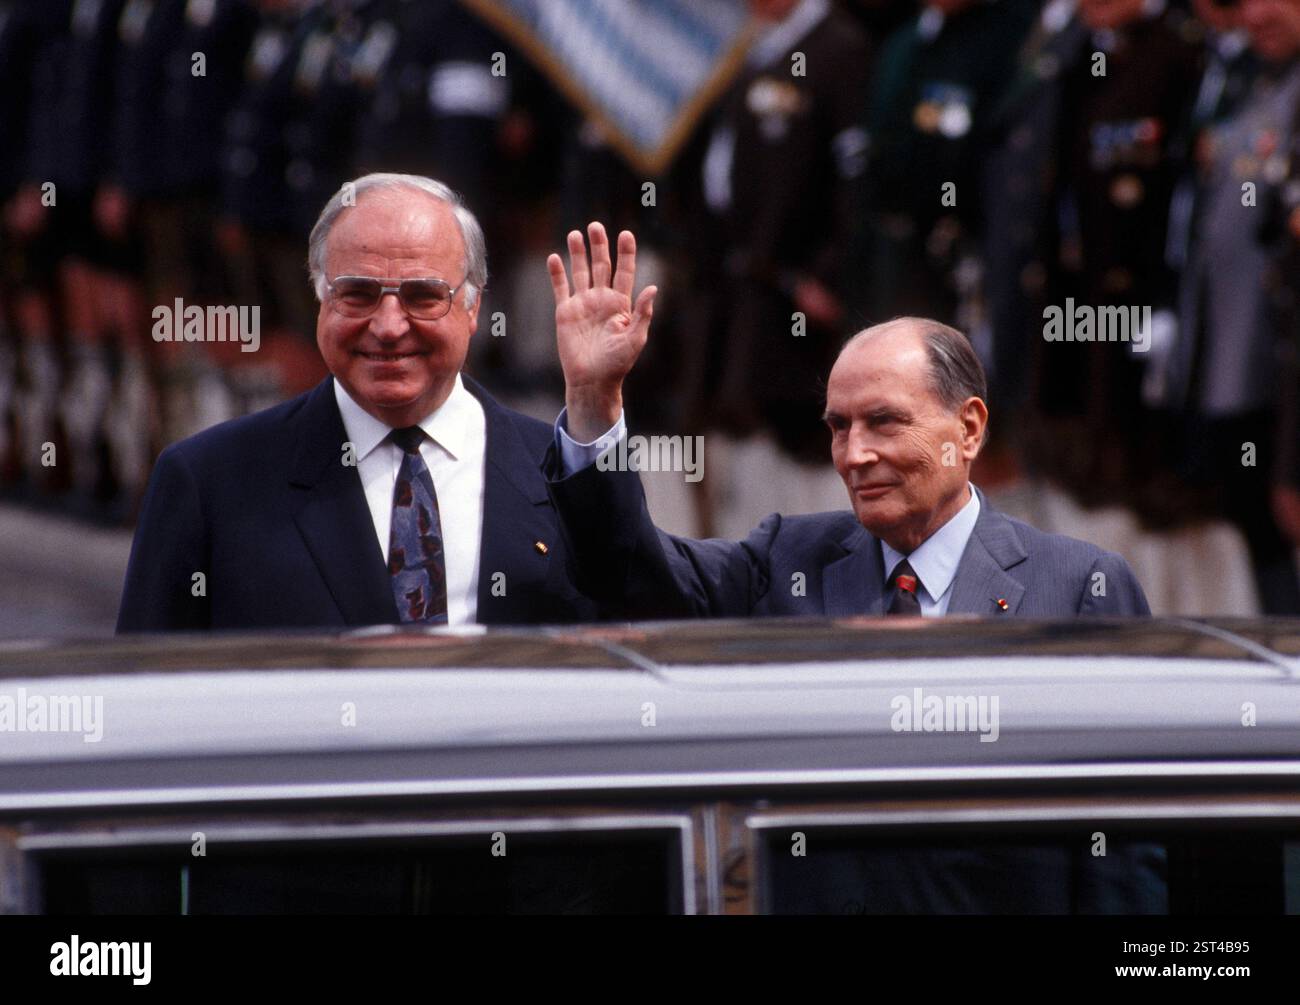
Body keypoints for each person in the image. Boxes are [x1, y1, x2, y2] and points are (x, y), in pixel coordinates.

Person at [543, 225, 1150, 620]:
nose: (854, 455)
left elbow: (1132, 782)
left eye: (884, 423)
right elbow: (629, 573)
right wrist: (594, 400)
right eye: (839, 427)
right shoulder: (787, 563)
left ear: (968, 429)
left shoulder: (1078, 589)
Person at [116, 174, 601, 631]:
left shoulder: (568, 474)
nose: (389, 327)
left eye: (423, 296)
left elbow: (650, 623)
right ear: (320, 299)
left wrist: (598, 403)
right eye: (358, 294)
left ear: (472, 307)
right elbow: (148, 696)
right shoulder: (208, 483)